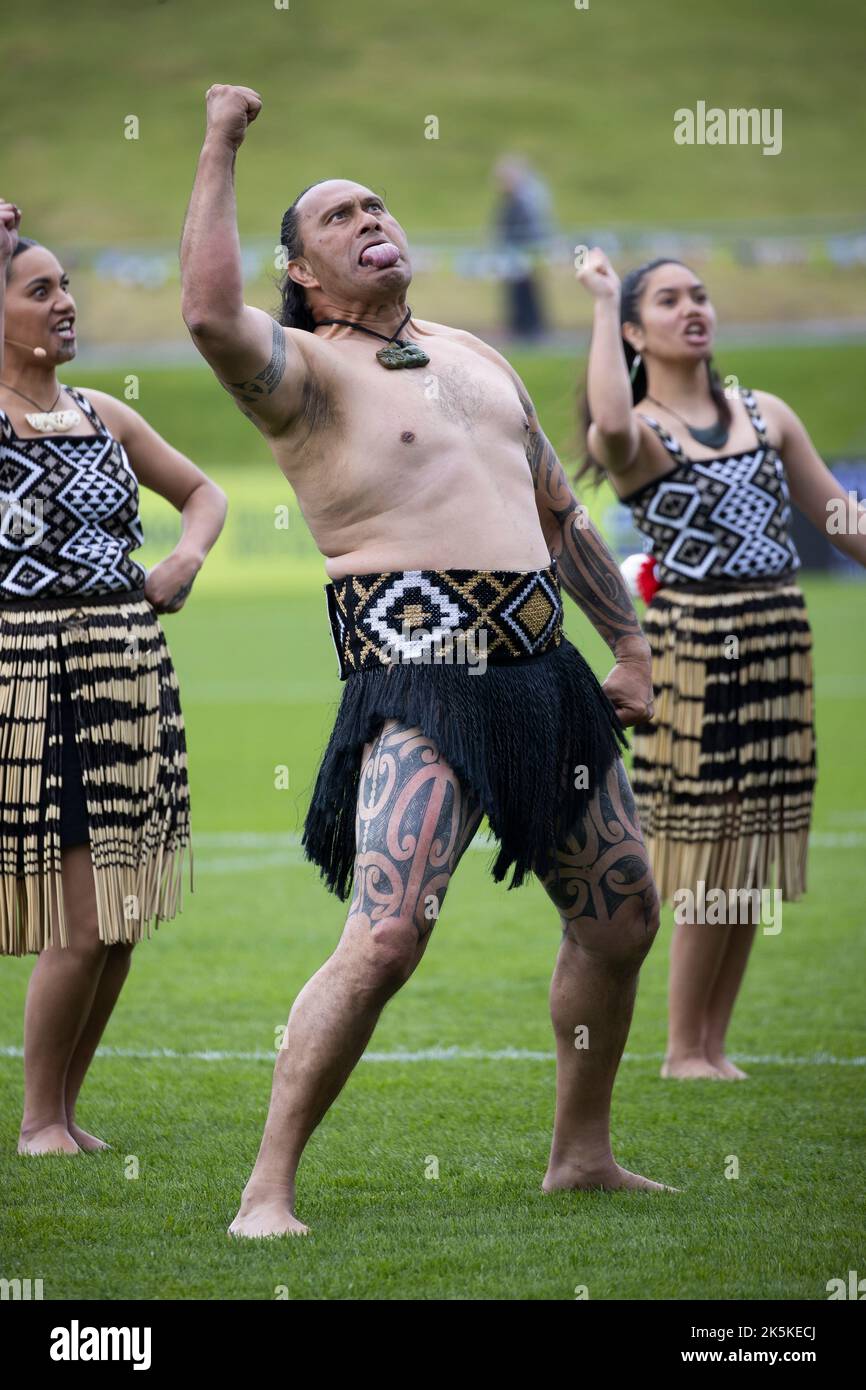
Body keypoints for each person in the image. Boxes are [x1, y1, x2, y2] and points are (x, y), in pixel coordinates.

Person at [181, 85, 666, 1239]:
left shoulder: (471, 352)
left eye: (377, 203)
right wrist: (221, 141)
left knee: (620, 921)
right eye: (339, 218)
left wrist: (634, 643)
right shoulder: (299, 369)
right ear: (301, 271)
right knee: (389, 932)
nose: (369, 219)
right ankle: (266, 1190)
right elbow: (205, 314)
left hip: (545, 673)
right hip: (420, 676)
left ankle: (580, 1155)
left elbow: (558, 507)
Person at [576, 249, 866, 1081]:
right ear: (636, 331)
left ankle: (714, 1044)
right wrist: (600, 303)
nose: (692, 308)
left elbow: (841, 516)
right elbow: (610, 426)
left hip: (780, 638)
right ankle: (679, 1048)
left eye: (699, 295)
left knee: (757, 837)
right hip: (696, 648)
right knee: (708, 842)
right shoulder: (640, 433)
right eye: (667, 301)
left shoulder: (765, 412)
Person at [0, 200, 227, 1154]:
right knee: (86, 918)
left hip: (129, 678)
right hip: (26, 682)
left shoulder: (104, 414)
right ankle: (38, 1120)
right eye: (39, 288)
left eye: (67, 286)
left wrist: (185, 558)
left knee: (122, 920)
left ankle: (64, 1110)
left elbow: (204, 493)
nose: (66, 303)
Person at [493, 156, 552, 340]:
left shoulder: (523, 200)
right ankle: (524, 327)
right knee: (520, 291)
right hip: (518, 254)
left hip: (522, 254)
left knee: (524, 291)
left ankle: (529, 329)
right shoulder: (522, 198)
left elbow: (526, 228)